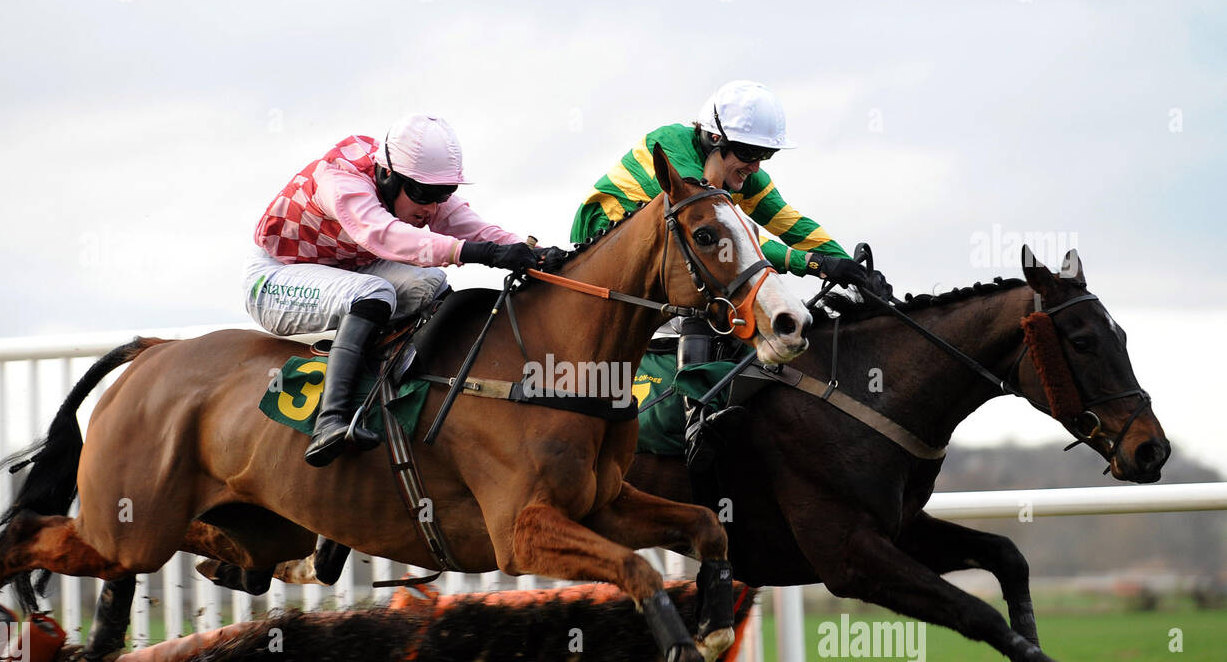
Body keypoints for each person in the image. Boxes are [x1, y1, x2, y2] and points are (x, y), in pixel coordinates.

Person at [570, 80, 872, 473]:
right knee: (710, 300)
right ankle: (696, 419)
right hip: (607, 252)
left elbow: (792, 224)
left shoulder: (742, 177)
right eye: (748, 153)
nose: (755, 166)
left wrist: (848, 266)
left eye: (766, 154)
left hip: (678, 254)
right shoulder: (671, 149)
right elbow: (720, 242)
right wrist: (810, 263)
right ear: (714, 139)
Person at [246, 114, 539, 467]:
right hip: (275, 277)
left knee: (430, 281)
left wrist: (537, 253)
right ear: (387, 175)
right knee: (374, 292)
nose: (431, 207)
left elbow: (476, 229)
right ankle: (330, 421)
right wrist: (485, 255)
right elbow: (385, 235)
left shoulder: (413, 186)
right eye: (422, 194)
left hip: (344, 269)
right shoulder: (342, 181)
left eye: (442, 195)